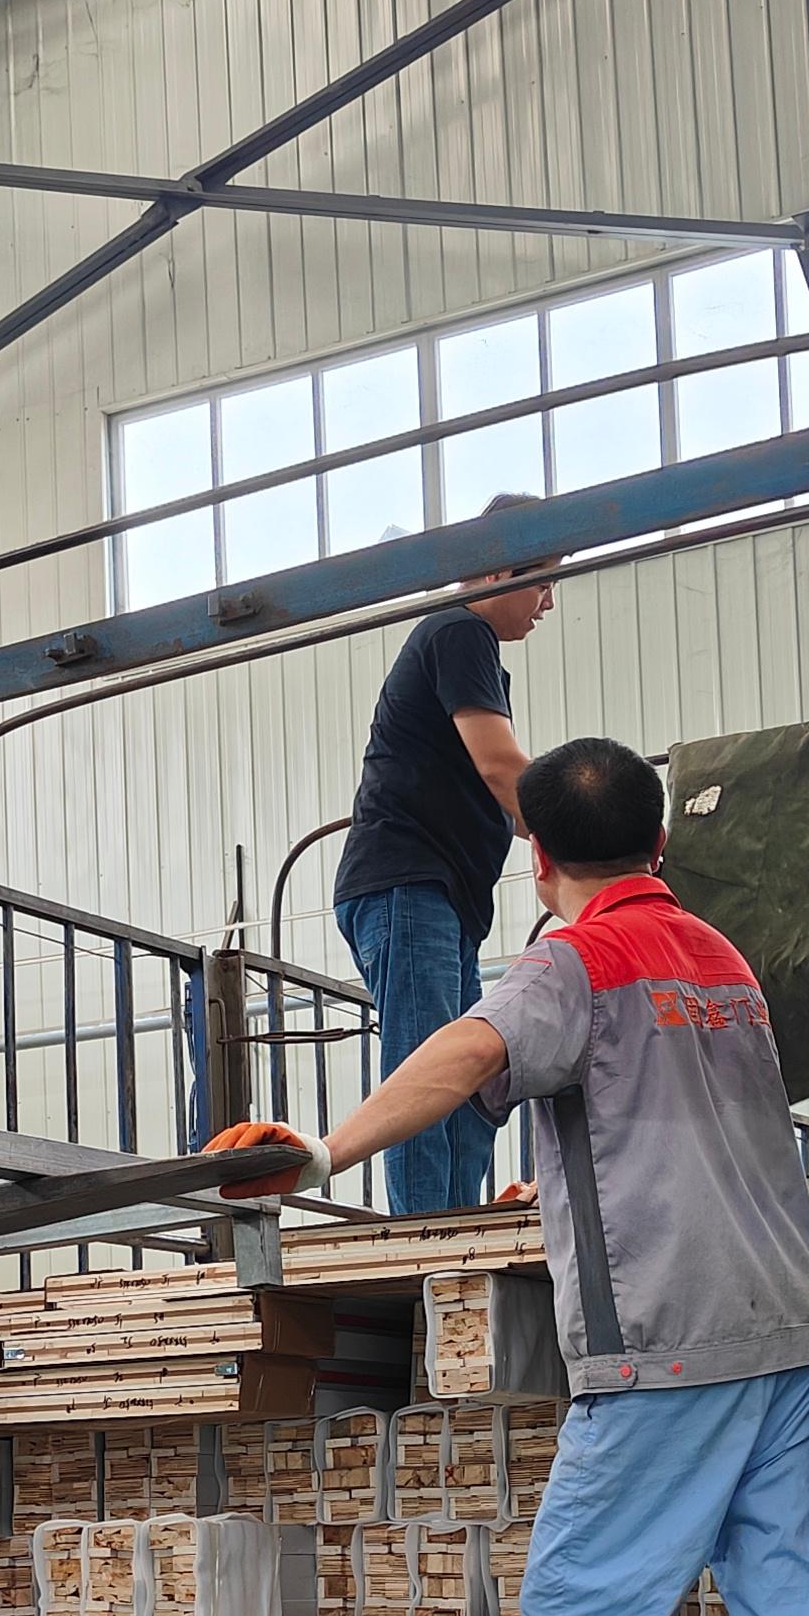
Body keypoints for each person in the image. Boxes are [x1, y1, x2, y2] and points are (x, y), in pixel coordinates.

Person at [211, 734, 809, 1616]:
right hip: (790, 1325)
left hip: (667, 1336)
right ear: (661, 843)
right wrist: (560, 1187)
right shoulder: (724, 960)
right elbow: (674, 1115)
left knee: (578, 1606)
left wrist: (320, 1155)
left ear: (535, 855)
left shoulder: (573, 959)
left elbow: (468, 1050)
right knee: (787, 1605)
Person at [330, 500, 557, 1215]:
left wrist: (562, 836)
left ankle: (455, 1225)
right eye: (542, 581)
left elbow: (502, 797)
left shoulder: (471, 652)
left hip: (441, 894)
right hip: (409, 883)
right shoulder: (458, 631)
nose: (549, 601)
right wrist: (586, 836)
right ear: (494, 569)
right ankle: (427, 1240)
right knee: (428, 1071)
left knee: (467, 1078)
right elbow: (501, 768)